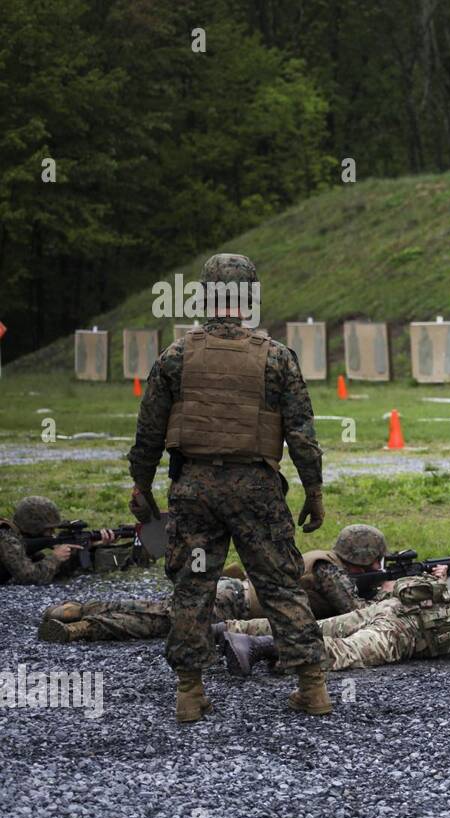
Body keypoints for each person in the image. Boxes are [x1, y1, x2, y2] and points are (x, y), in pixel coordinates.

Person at [127, 252, 330, 723]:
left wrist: (141, 484)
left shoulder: (176, 356)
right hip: (256, 488)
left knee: (193, 588)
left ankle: (189, 694)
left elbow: (149, 430)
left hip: (194, 487)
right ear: (250, 298)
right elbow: (301, 433)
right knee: (280, 584)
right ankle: (313, 688)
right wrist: (314, 492)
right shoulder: (276, 357)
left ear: (205, 295)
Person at [218, 530, 450, 674]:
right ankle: (259, 646)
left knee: (319, 626)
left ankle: (225, 630)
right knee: (342, 653)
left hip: (398, 607)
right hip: (407, 629)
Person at [37, 524, 391, 643]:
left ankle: (82, 609)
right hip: (231, 604)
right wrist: (386, 596)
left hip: (230, 591)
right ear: (366, 557)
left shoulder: (323, 560)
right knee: (161, 622)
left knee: (160, 610)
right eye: (377, 560)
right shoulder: (333, 574)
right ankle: (83, 627)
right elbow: (358, 615)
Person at [0, 496, 120, 585]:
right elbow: (30, 577)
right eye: (49, 529)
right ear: (33, 526)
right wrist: (55, 558)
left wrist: (90, 546)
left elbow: (51, 572)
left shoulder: (20, 539)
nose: (52, 533)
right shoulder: (7, 539)